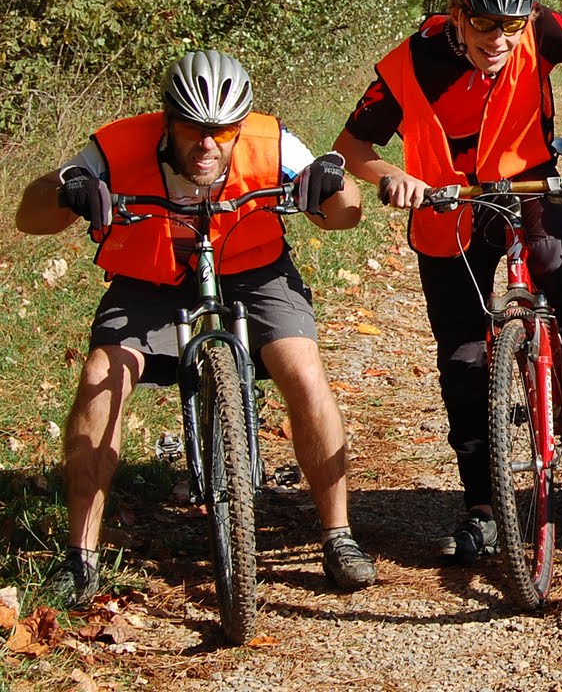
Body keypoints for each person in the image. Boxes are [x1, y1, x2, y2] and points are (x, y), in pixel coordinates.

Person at [333, 0, 562, 563]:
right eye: (484, 23)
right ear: (457, 13)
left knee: (550, 261)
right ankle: (483, 506)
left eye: (511, 25)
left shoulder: (539, 28)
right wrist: (389, 177)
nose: (500, 39)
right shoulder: (411, 63)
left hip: (529, 183)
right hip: (447, 209)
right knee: (462, 357)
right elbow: (350, 147)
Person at [15, 50, 376, 604]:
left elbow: (345, 212)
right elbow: (29, 215)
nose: (207, 145)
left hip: (255, 271)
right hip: (149, 277)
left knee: (303, 372)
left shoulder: (270, 140)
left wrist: (330, 182)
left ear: (240, 125)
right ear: (167, 119)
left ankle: (338, 535)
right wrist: (68, 189)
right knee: (99, 378)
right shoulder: (118, 145)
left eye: (223, 131)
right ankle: (81, 556)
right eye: (191, 129)